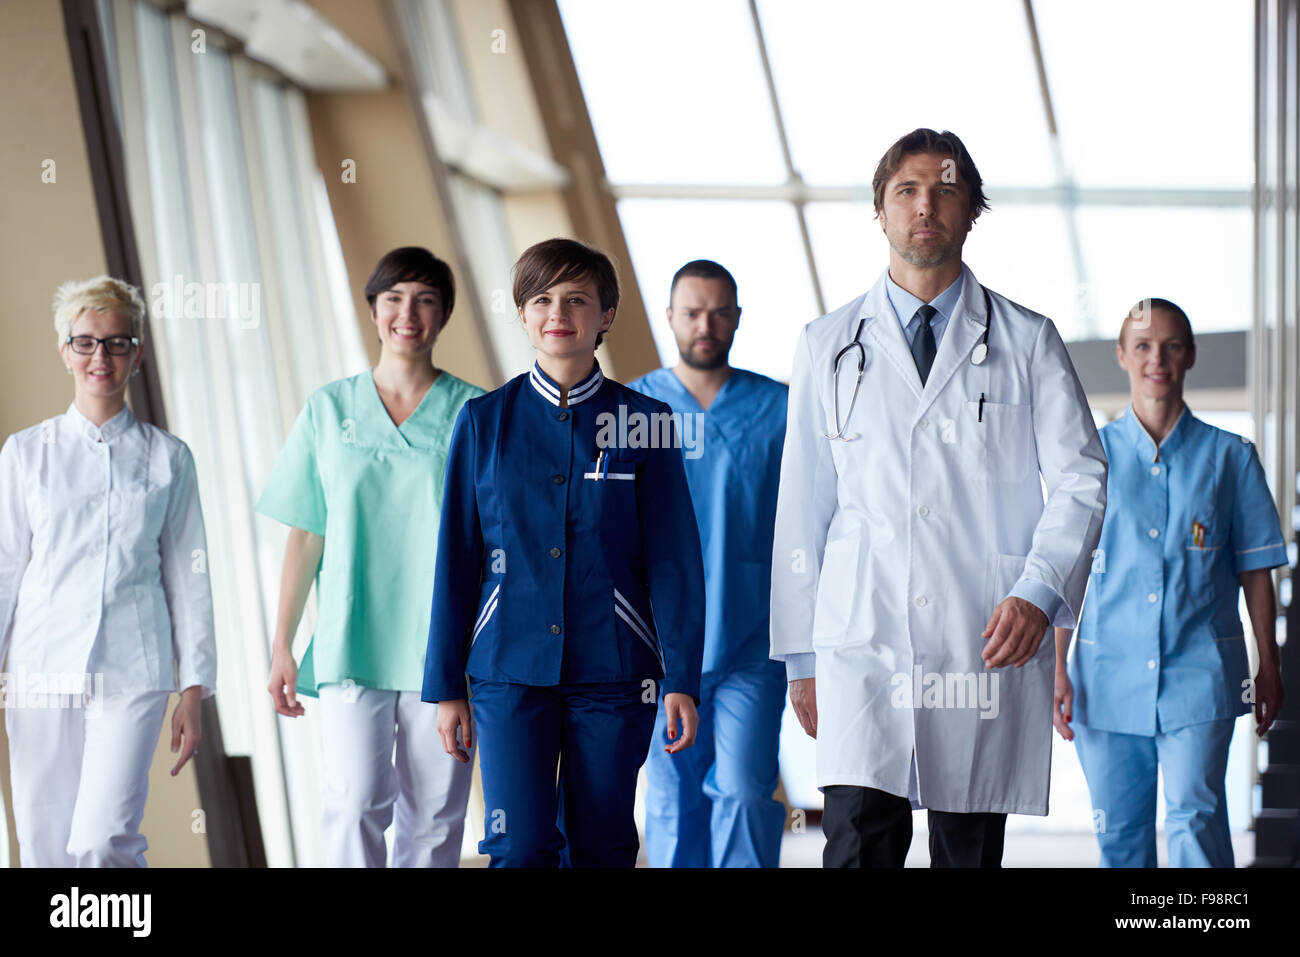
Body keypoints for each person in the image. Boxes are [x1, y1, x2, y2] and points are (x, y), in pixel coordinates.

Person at [770, 128, 1108, 868]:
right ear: (880, 210)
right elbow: (804, 505)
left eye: (946, 189)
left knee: (967, 853)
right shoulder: (827, 344)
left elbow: (1082, 477)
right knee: (857, 844)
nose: (927, 205)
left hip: (980, 631)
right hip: (861, 643)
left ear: (971, 212)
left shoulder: (1027, 340)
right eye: (908, 190)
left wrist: (1039, 590)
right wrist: (801, 657)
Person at [423, 237, 705, 868]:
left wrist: (682, 678)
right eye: (542, 298)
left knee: (601, 844)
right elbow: (457, 559)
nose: (558, 312)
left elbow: (674, 561)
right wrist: (446, 686)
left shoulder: (646, 422)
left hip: (614, 671)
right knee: (518, 845)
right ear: (523, 313)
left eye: (577, 299)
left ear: (605, 315)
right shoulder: (483, 422)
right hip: (507, 670)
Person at [260, 247, 482, 867]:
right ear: (374, 309)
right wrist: (282, 643)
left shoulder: (477, 412)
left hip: (444, 649)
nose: (407, 313)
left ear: (443, 315)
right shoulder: (328, 410)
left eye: (425, 300)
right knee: (355, 801)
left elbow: (496, 538)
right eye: (394, 299)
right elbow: (306, 533)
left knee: (437, 816)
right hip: (352, 640)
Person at [1054, 298, 1286, 868]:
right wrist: (1055, 667)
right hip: (1103, 680)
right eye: (1143, 346)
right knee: (1120, 835)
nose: (1157, 358)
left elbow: (1255, 570)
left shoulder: (1232, 459)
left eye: (1172, 345)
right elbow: (1064, 569)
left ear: (1190, 356)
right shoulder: (1091, 460)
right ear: (1122, 356)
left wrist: (1270, 663)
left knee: (1198, 822)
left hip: (1200, 676)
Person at [0, 276, 216, 867]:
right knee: (45, 844)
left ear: (137, 354)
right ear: (66, 350)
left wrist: (193, 687)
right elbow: (5, 566)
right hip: (38, 669)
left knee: (103, 839)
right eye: (87, 342)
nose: (103, 356)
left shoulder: (169, 458)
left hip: (133, 667)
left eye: (118, 343)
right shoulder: (25, 454)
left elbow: (188, 576)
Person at [628, 260, 788, 868]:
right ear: (669, 318)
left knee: (746, 792)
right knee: (672, 798)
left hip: (753, 641)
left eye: (720, 312)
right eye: (692, 312)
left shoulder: (778, 409)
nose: (706, 325)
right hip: (663, 650)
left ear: (737, 319)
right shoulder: (634, 408)